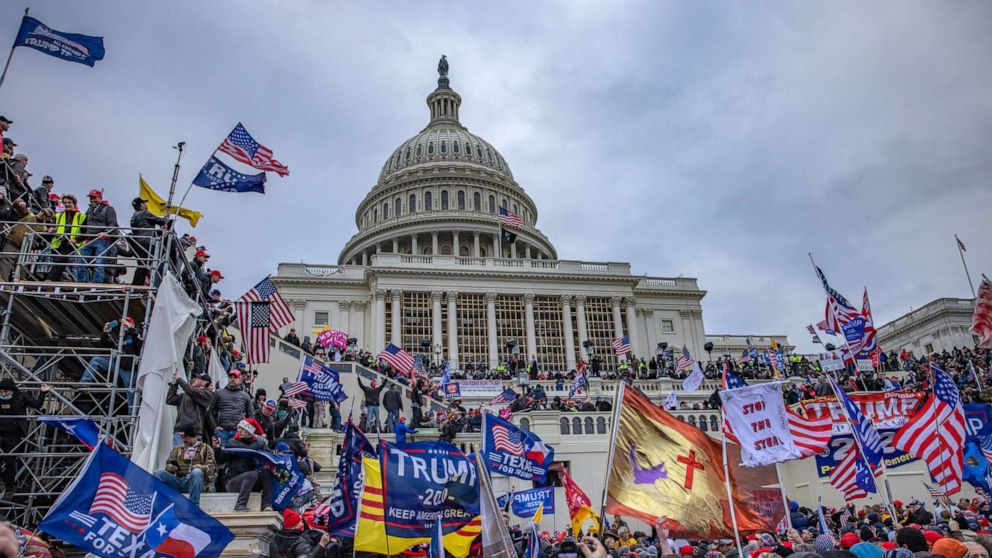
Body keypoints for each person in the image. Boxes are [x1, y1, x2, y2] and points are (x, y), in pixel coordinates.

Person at [80, 317, 142, 411]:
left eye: (126, 323)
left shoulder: (135, 336)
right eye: (122, 324)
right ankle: (84, 383)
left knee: (132, 395)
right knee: (96, 360)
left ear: (131, 324)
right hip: (116, 363)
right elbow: (106, 345)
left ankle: (132, 420)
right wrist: (105, 333)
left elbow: (139, 344)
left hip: (130, 369)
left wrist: (130, 329)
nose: (123, 325)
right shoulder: (118, 338)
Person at [0, 378, 50, 492]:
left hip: (14, 434)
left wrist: (42, 393)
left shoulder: (21, 397)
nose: (3, 394)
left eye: (6, 392)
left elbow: (37, 405)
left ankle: (9, 486)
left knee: (10, 460)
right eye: (1, 392)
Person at [214, 420, 272, 512]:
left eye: (242, 428)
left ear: (250, 431)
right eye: (238, 428)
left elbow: (269, 456)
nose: (239, 431)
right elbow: (220, 460)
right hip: (233, 481)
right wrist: (217, 449)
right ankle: (240, 505)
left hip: (250, 480)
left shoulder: (259, 444)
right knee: (252, 474)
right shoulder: (231, 442)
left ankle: (267, 505)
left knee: (266, 472)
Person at [155, 427, 214, 506]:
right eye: (183, 438)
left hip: (195, 483)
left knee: (197, 472)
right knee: (158, 473)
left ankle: (193, 505)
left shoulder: (205, 448)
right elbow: (168, 464)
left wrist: (201, 467)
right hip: (179, 481)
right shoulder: (178, 449)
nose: (184, 440)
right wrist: (171, 468)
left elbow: (212, 468)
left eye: (186, 438)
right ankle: (159, 503)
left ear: (193, 438)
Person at [77, 189, 118, 284]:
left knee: (99, 263)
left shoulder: (108, 209)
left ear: (100, 198)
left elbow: (113, 224)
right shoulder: (89, 210)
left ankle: (96, 284)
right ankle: (81, 284)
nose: (92, 200)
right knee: (81, 262)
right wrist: (77, 239)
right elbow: (84, 227)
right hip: (89, 239)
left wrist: (106, 232)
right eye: (91, 198)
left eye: (94, 197)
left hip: (102, 240)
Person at [167, 371, 214, 446]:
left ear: (204, 382)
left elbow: (191, 391)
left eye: (197, 378)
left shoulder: (207, 394)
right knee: (177, 457)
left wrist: (179, 379)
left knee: (192, 457)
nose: (194, 379)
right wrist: (174, 384)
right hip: (180, 432)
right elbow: (170, 399)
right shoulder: (185, 395)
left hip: (194, 434)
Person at [45, 194, 85, 281]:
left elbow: (85, 232)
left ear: (74, 204)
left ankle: (50, 279)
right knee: (59, 264)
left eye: (69, 202)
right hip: (57, 242)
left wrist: (76, 239)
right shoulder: (58, 215)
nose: (67, 204)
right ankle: (58, 283)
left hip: (71, 244)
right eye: (65, 202)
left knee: (60, 260)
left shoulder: (81, 216)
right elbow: (52, 225)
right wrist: (51, 229)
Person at [128, 197, 167, 286]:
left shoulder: (133, 216)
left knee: (143, 265)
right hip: (146, 242)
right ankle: (136, 285)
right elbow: (161, 221)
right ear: (141, 205)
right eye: (144, 203)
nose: (146, 205)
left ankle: (138, 284)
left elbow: (138, 229)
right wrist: (167, 215)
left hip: (138, 242)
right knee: (144, 265)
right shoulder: (144, 213)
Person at [212, 369, 254, 446]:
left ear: (240, 380)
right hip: (222, 431)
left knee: (236, 456)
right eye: (231, 377)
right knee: (220, 455)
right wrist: (214, 426)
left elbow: (251, 415)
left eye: (235, 377)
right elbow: (210, 411)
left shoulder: (245, 396)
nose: (232, 379)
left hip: (238, 433)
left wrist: (246, 430)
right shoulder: (218, 393)